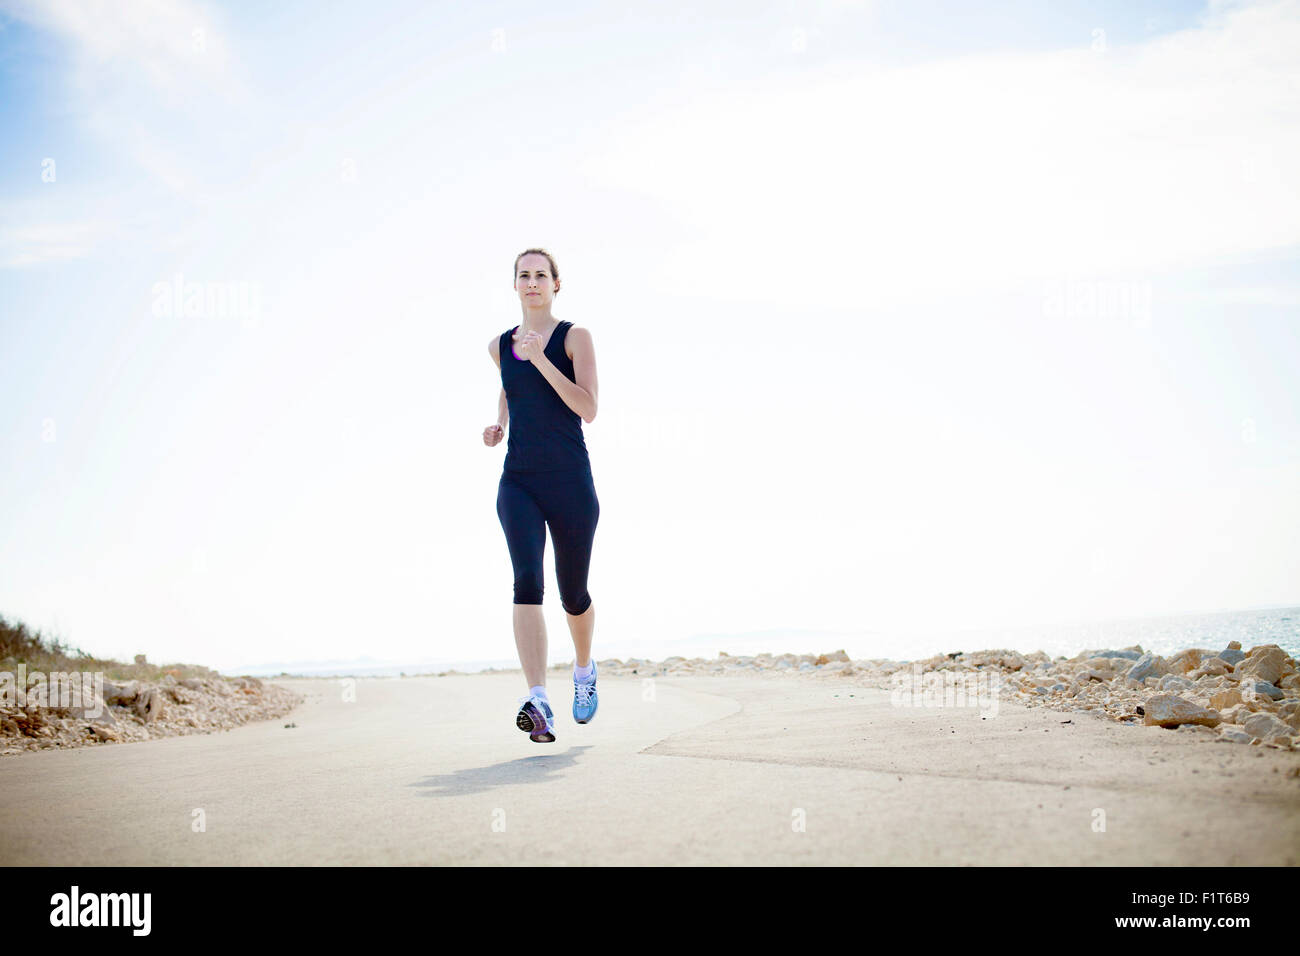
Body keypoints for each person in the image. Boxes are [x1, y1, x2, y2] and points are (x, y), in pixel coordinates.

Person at [483, 248, 600, 743]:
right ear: (515, 285)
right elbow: (512, 385)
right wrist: (500, 424)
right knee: (527, 581)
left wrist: (542, 361)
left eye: (540, 275)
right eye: (523, 275)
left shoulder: (576, 337)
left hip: (571, 482)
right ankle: (539, 700)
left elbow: (588, 408)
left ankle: (583, 669)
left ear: (556, 284)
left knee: (573, 596)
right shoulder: (498, 346)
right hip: (520, 482)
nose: (532, 282)